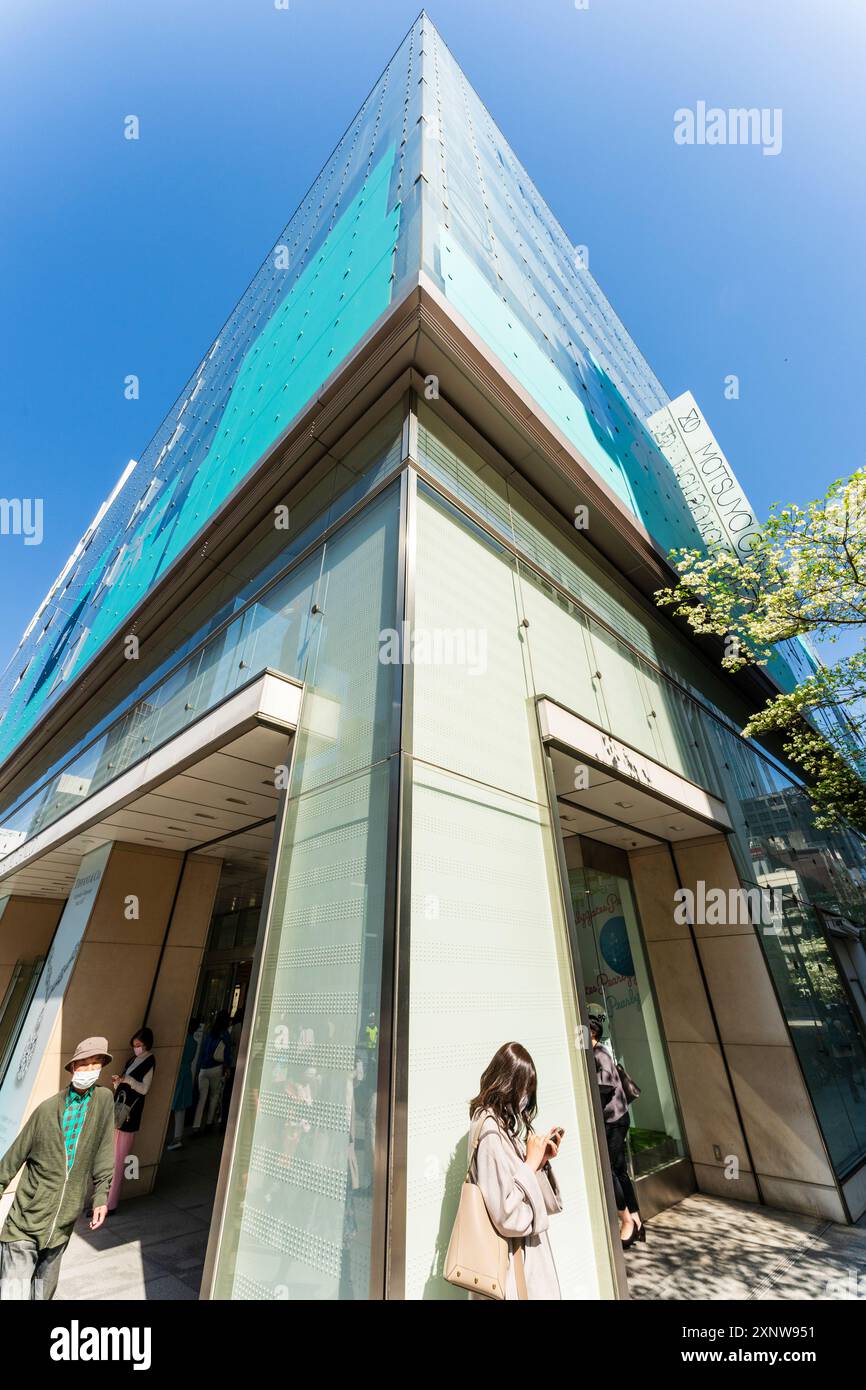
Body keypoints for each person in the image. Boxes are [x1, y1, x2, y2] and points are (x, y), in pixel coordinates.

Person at [0, 1036, 115, 1300]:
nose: (89, 1070)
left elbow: (104, 1151)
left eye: (96, 1064)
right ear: (73, 1068)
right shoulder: (46, 1110)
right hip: (25, 1224)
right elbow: (11, 1160)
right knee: (14, 1295)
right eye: (84, 1064)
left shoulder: (104, 1101)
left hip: (61, 1226)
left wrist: (100, 1196)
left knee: (40, 1295)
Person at [468, 1040, 563, 1300]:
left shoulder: (501, 1128)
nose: (526, 1098)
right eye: (524, 1088)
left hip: (522, 1260)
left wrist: (540, 1162)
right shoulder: (489, 1131)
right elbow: (505, 1214)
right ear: (508, 1083)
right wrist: (530, 1163)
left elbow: (522, 1190)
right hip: (512, 1267)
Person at [590, 1017, 644, 1248]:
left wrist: (586, 1080)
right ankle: (637, 1221)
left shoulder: (599, 1052)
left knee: (611, 1170)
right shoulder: (599, 1052)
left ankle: (625, 1221)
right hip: (618, 1118)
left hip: (613, 1120)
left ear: (592, 1033)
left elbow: (607, 1082)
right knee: (620, 1171)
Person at [108, 1027, 156, 1213]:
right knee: (110, 1158)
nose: (135, 1048)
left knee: (120, 1161)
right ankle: (103, 1201)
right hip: (119, 1110)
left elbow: (144, 1089)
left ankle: (110, 1204)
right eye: (134, 1045)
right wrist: (118, 1082)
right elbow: (125, 1084)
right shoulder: (132, 1060)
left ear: (146, 1044)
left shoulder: (150, 1060)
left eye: (138, 1045)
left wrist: (128, 1080)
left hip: (130, 1114)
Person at [192, 1011, 233, 1132]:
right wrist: (227, 1067)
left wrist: (199, 1067)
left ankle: (196, 1125)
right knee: (214, 1096)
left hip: (204, 1068)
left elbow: (203, 1051)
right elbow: (227, 1053)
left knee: (201, 1098)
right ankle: (209, 1123)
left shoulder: (210, 1033)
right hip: (217, 1067)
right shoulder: (225, 1035)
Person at [167, 1016, 199, 1151]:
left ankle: (175, 1138)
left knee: (174, 1104)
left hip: (178, 1072)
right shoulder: (194, 1042)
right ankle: (177, 1137)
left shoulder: (181, 1041)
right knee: (181, 1106)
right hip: (186, 1073)